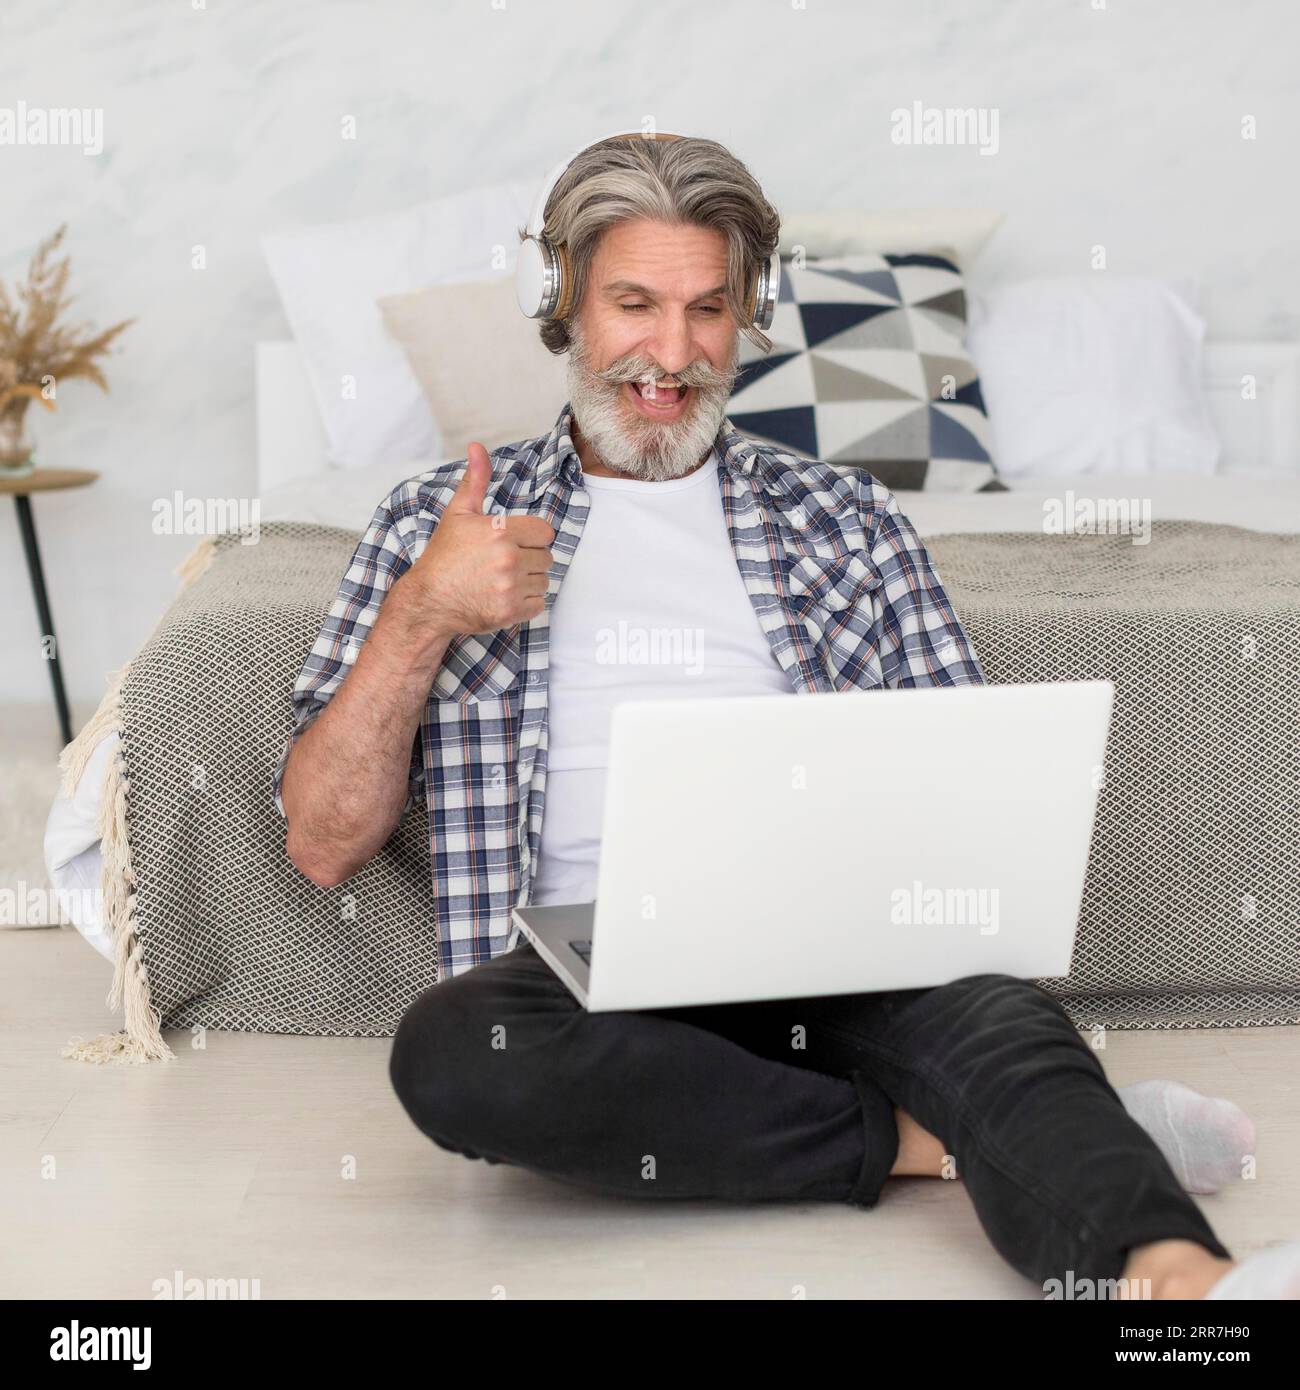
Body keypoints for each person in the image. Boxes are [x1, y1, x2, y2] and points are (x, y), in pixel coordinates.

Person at [274, 133, 1289, 1300]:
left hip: (834, 935)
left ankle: (1186, 1280)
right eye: (634, 303)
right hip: (594, 978)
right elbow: (321, 839)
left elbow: (965, 785)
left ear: (749, 316)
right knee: (454, 1057)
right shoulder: (433, 526)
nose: (671, 352)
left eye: (708, 309)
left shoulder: (846, 516)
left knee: (999, 1019)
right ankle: (938, 1140)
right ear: (561, 304)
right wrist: (422, 616)